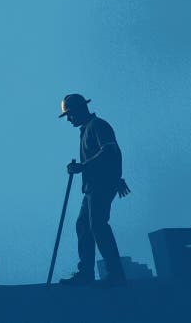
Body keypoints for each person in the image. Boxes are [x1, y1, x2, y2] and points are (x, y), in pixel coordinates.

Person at [58, 94, 130, 287]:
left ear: (79, 110)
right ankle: (86, 274)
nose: (68, 119)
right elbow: (109, 157)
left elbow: (110, 150)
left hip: (101, 185)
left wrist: (83, 166)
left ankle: (116, 273)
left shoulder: (98, 125)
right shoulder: (87, 130)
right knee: (83, 225)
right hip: (93, 187)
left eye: (70, 115)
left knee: (97, 225)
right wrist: (117, 177)